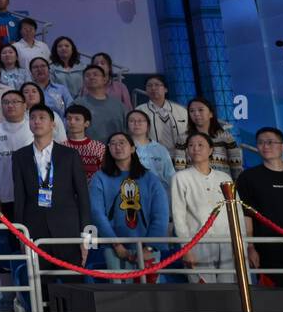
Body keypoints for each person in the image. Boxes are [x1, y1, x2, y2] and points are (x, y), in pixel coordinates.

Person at [11, 105, 91, 304]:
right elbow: (19, 197)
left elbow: (82, 196)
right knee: (42, 291)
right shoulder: (20, 156)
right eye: (33, 118)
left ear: (52, 124)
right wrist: (20, 234)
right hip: (35, 230)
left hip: (68, 230)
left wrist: (87, 237)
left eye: (42, 117)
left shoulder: (69, 155)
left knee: (75, 289)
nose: (37, 121)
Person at [89, 132, 169, 272]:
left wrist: (149, 247)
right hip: (114, 248)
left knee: (151, 291)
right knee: (119, 290)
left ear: (132, 148)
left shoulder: (150, 178)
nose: (117, 147)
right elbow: (97, 213)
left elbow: (161, 215)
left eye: (122, 143)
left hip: (149, 248)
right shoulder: (99, 178)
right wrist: (116, 245)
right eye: (112, 144)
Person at [171, 132, 234, 283]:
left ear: (211, 150)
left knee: (230, 289)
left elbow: (236, 212)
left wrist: (242, 244)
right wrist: (186, 249)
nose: (195, 149)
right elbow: (178, 216)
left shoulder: (224, 178)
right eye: (191, 145)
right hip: (197, 242)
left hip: (227, 242)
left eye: (200, 145)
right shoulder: (180, 178)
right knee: (204, 290)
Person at [237, 127, 283, 288]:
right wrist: (250, 246)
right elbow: (246, 215)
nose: (265, 146)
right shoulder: (248, 177)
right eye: (260, 143)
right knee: (274, 298)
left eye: (270, 142)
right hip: (267, 247)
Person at [172, 98, 243, 180]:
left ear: (211, 114)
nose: (196, 114)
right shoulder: (182, 138)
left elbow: (236, 166)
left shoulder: (226, 137)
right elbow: (179, 169)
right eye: (192, 111)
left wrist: (236, 186)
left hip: (223, 185)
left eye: (200, 110)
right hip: (194, 185)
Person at [71, 63, 127, 144]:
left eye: (95, 74)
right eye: (87, 75)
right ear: (83, 81)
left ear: (104, 79)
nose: (91, 77)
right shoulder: (77, 104)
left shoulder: (119, 105)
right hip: (88, 153)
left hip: (116, 151)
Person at [125, 109, 174, 189]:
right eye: (132, 121)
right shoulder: (122, 148)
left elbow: (170, 176)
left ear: (148, 125)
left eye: (141, 121)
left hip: (159, 193)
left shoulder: (160, 149)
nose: (136, 124)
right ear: (127, 126)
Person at [141, 74, 188, 153]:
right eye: (149, 85)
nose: (153, 88)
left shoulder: (181, 110)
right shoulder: (140, 111)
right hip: (153, 156)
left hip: (181, 156)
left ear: (165, 89)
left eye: (157, 85)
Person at [63, 105, 105, 180]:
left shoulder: (98, 147)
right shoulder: (60, 147)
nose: (72, 122)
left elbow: (104, 174)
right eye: (68, 119)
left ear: (87, 123)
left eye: (77, 119)